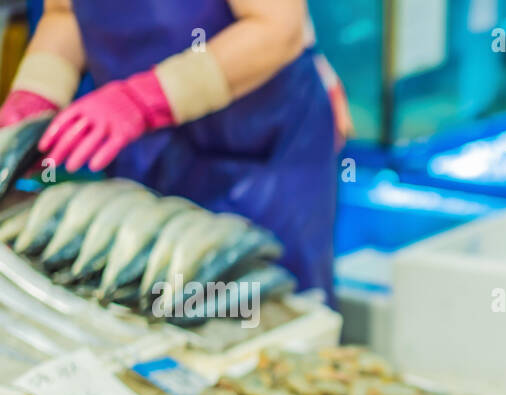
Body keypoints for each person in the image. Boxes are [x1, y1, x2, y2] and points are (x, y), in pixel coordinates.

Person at [0, 0, 338, 303]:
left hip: (258, 150)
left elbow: (277, 29)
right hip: (145, 152)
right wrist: (38, 92)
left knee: (267, 308)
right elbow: (64, 12)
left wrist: (143, 101)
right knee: (141, 301)